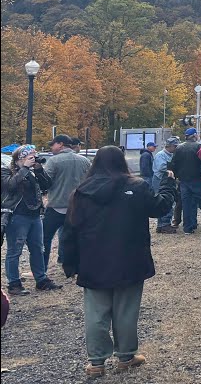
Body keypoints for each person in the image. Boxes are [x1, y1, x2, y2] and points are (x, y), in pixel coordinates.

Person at [61, 145, 177, 378]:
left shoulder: (81, 192)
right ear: (122, 161)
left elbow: (70, 230)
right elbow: (160, 207)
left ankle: (96, 362)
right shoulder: (136, 186)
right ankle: (125, 356)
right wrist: (167, 184)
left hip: (93, 260)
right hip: (129, 258)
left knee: (95, 313)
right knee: (126, 310)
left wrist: (70, 263)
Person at [2, 146, 61, 295]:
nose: (33, 159)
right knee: (15, 251)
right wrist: (25, 168)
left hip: (35, 216)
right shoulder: (6, 171)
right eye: (30, 157)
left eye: (34, 156)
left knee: (38, 249)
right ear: (19, 158)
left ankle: (41, 280)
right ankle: (14, 284)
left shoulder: (33, 172)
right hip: (17, 216)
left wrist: (39, 169)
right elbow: (10, 186)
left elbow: (47, 185)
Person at [42, 133, 92, 273]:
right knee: (75, 238)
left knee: (45, 239)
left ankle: (41, 269)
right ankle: (74, 267)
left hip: (56, 206)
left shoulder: (53, 161)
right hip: (77, 206)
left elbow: (45, 182)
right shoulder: (85, 161)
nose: (51, 147)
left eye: (53, 144)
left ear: (61, 144)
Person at [168, 127, 201, 234]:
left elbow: (173, 163)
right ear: (194, 136)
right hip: (197, 180)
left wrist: (176, 176)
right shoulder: (199, 147)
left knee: (186, 204)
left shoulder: (179, 148)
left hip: (183, 180)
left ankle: (188, 228)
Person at [152, 138, 179, 233]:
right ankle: (164, 225)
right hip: (161, 181)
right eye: (175, 146)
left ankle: (162, 224)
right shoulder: (161, 155)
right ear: (169, 146)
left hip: (167, 181)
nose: (176, 148)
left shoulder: (172, 155)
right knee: (165, 202)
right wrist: (169, 170)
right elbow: (161, 167)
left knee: (165, 202)